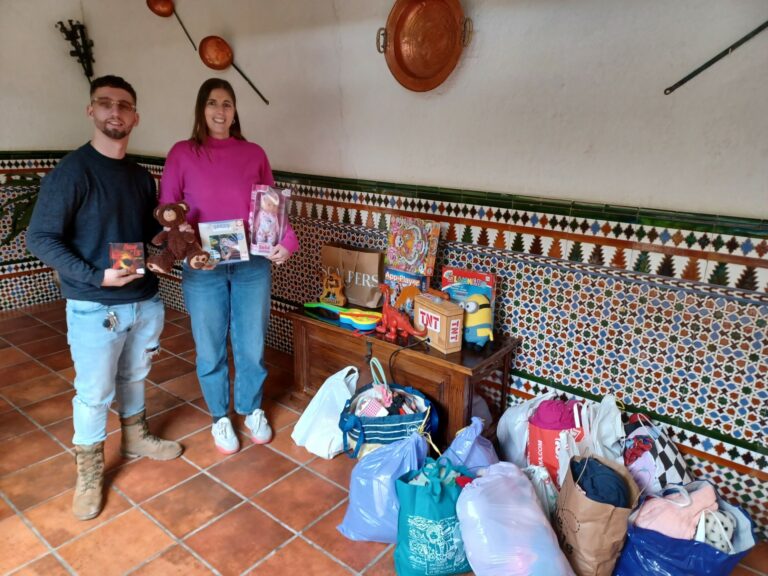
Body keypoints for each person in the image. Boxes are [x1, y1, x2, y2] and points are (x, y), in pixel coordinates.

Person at [26, 75, 182, 521]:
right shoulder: (71, 173)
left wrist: (174, 234)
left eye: (124, 105)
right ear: (90, 110)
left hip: (143, 297)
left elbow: (145, 231)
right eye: (106, 103)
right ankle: (90, 470)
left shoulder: (139, 177)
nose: (116, 112)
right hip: (94, 304)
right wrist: (97, 276)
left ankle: (135, 436)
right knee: (94, 392)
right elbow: (40, 238)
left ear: (136, 117)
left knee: (135, 375)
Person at [160, 78, 299, 455]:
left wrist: (287, 242)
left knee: (252, 342)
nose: (219, 111)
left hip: (252, 264)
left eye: (227, 103)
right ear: (201, 109)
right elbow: (168, 209)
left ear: (235, 111)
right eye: (212, 103)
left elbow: (272, 207)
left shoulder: (254, 153)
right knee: (209, 345)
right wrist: (179, 233)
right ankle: (220, 416)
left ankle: (251, 409)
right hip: (203, 265)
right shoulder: (182, 153)